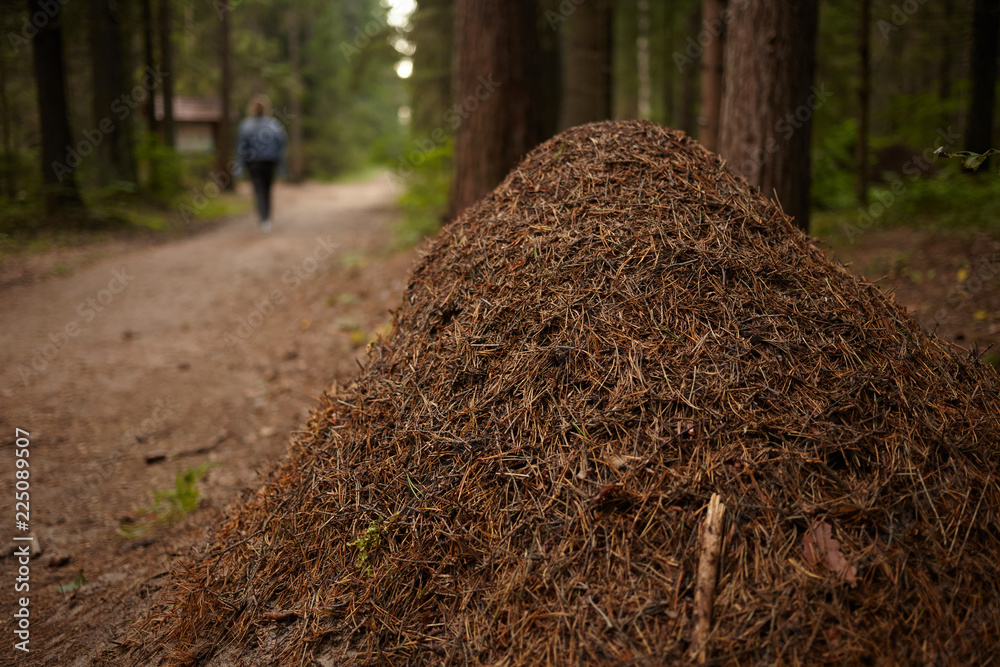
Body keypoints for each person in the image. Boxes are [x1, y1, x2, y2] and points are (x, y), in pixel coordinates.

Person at [236, 95, 287, 233]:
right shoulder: (274, 124)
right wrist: (282, 166)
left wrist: (239, 166)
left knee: (258, 190)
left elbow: (241, 148)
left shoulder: (246, 125)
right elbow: (281, 144)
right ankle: (267, 218)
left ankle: (263, 217)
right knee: (267, 190)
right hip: (270, 162)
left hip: (254, 163)